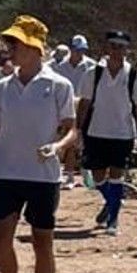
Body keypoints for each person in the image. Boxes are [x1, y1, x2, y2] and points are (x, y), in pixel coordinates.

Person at [0, 17, 77, 273]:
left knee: (42, 243)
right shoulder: (3, 87)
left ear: (35, 47)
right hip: (7, 172)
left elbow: (71, 129)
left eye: (17, 43)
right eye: (10, 42)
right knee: (1, 239)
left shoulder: (59, 85)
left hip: (43, 177)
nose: (11, 48)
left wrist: (58, 147)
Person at [75, 31, 137, 233]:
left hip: (123, 133)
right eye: (113, 46)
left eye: (121, 46)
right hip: (96, 132)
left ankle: (113, 220)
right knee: (98, 177)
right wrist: (79, 129)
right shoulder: (93, 73)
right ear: (107, 47)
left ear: (126, 50)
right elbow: (85, 102)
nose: (116, 50)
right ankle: (111, 201)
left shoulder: (135, 76)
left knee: (117, 176)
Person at [53, 36, 94, 186]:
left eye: (82, 50)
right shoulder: (60, 67)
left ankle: (87, 174)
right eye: (77, 50)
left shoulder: (91, 66)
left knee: (84, 141)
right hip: (65, 107)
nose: (80, 53)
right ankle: (68, 175)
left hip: (85, 106)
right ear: (71, 49)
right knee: (67, 139)